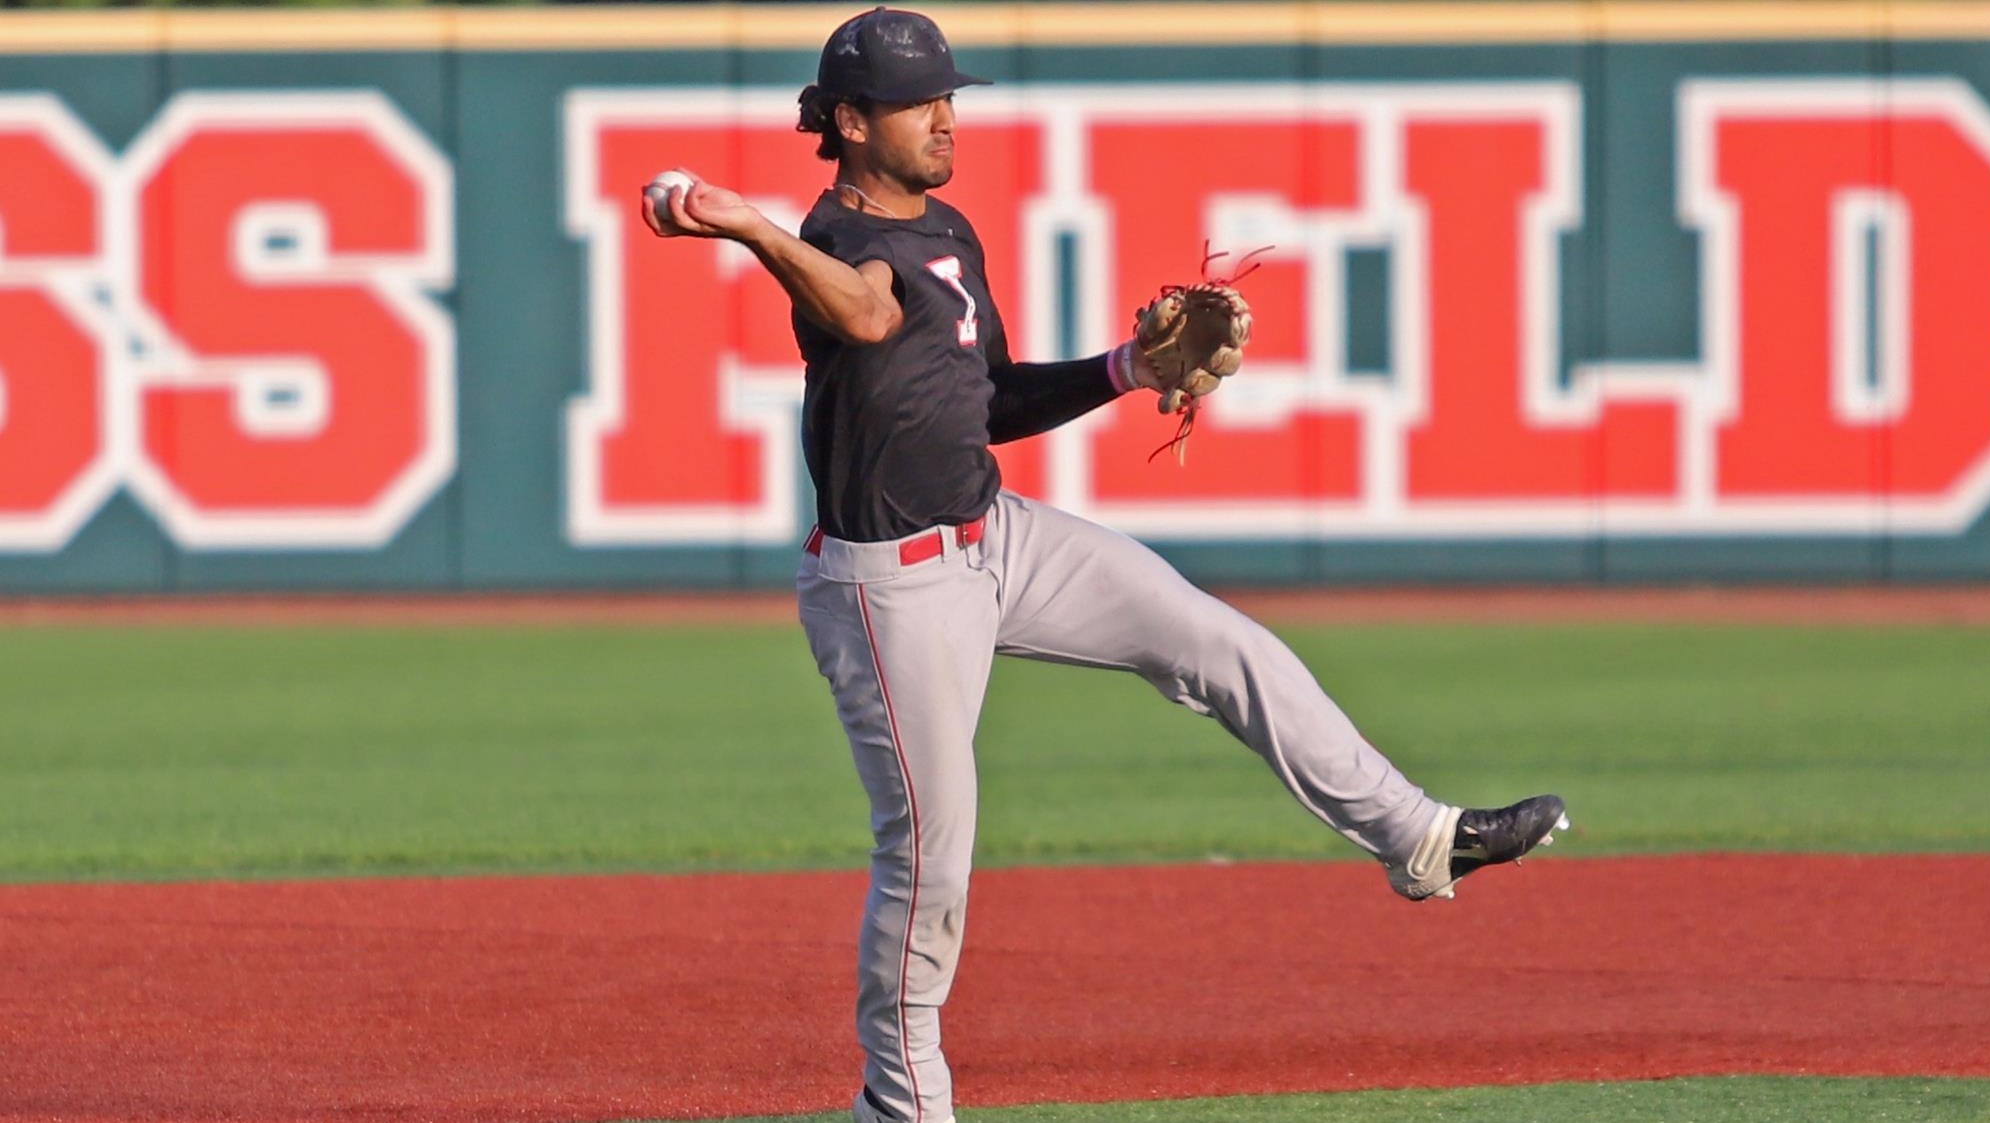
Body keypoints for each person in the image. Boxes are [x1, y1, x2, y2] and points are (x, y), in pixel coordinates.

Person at [641, 9, 1569, 1122]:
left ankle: (1415, 836)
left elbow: (988, 402)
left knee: (1214, 640)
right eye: (918, 102)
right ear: (848, 121)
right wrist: (747, 226)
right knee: (930, 856)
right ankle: (899, 1107)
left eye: (950, 97)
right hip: (889, 586)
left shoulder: (949, 230)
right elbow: (865, 317)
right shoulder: (832, 239)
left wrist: (1126, 366)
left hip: (1000, 536)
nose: (945, 118)